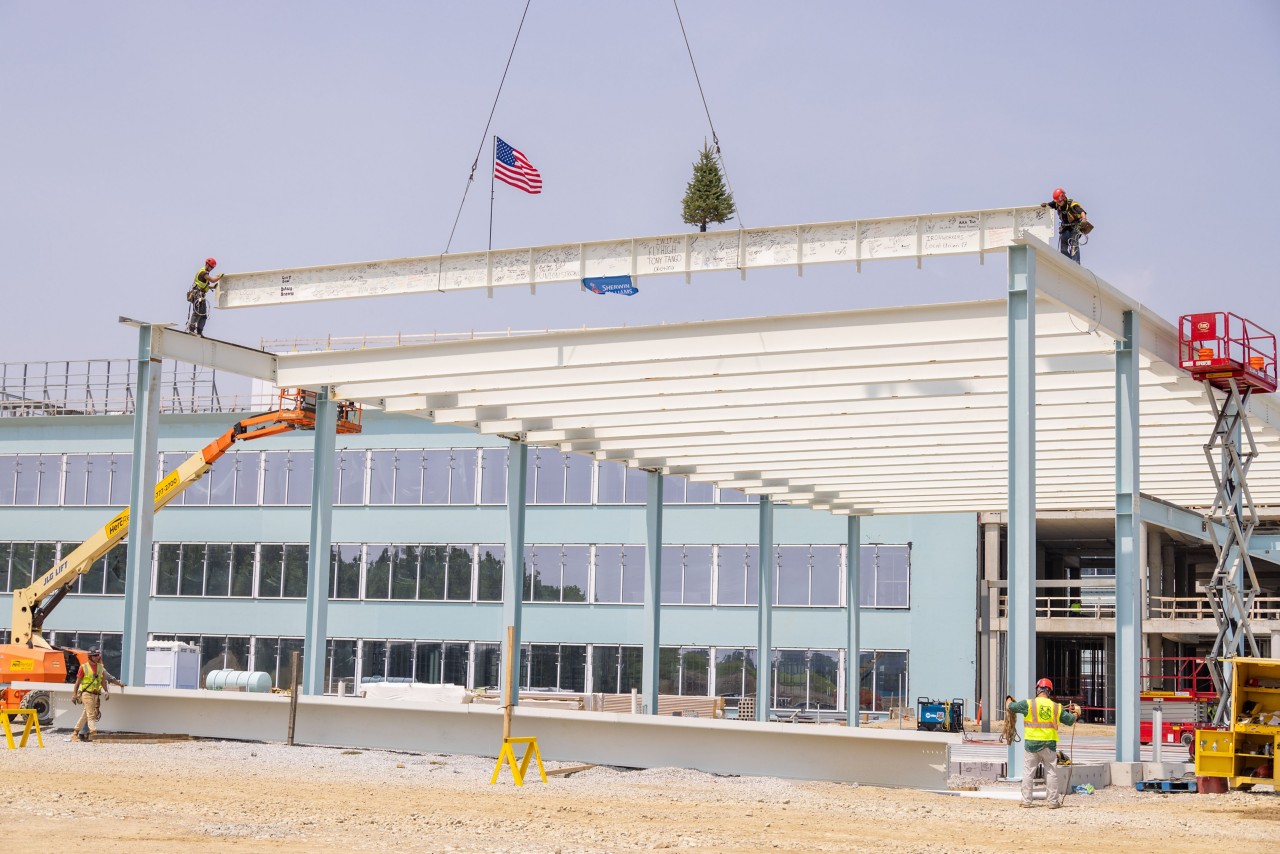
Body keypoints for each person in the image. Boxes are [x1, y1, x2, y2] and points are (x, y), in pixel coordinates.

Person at [1006, 678, 1079, 808]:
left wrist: (1008, 699)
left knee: (1028, 772)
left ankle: (1026, 801)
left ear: (1038, 689)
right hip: (1049, 745)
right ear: (1049, 691)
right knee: (1051, 772)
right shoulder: (1056, 707)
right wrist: (1077, 713)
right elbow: (1069, 720)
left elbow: (1010, 707)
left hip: (1031, 744)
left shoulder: (1028, 704)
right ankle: (1052, 802)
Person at [71, 647, 126, 742]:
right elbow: (77, 682)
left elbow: (103, 681)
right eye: (96, 655)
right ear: (90, 657)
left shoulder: (100, 667)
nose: (98, 657)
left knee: (85, 715)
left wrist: (106, 691)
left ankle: (75, 733)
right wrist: (74, 695)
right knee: (91, 715)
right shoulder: (83, 667)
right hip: (86, 693)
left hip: (96, 694)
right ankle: (94, 734)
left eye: (98, 655)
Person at [1041, 188, 1088, 264]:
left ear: (1063, 198)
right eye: (1057, 202)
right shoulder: (1056, 203)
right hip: (1066, 227)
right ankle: (1067, 262)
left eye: (1059, 202)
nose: (1058, 204)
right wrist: (1045, 205)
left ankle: (1076, 263)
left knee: (1074, 243)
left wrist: (1084, 219)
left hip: (1075, 227)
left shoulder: (1072, 204)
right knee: (1063, 246)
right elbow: (1049, 205)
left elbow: (1082, 212)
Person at [187, 257, 223, 336]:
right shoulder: (203, 273)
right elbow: (212, 280)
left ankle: (199, 331)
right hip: (197, 294)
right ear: (206, 264)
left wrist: (212, 287)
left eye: (212, 268)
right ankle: (191, 328)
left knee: (203, 315)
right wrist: (220, 277)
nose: (211, 269)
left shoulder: (205, 273)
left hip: (201, 295)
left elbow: (204, 286)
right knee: (197, 312)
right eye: (210, 267)